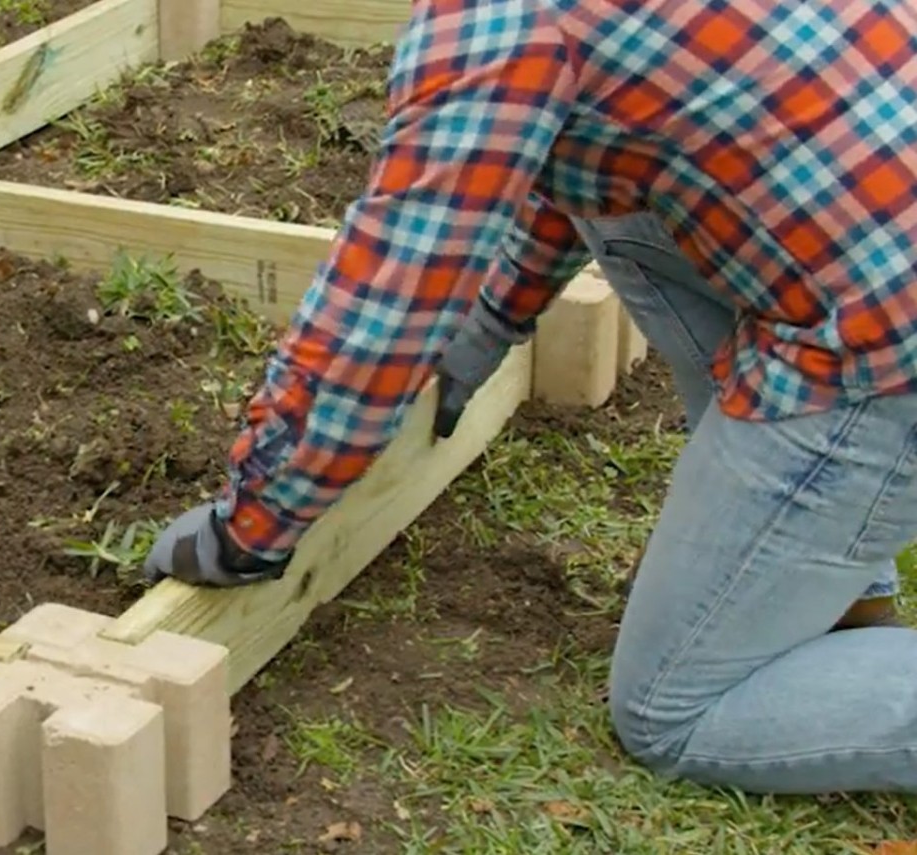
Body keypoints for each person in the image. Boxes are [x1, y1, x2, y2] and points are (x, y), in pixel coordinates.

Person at [143, 0, 917, 794]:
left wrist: (251, 527)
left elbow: (381, 314)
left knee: (669, 709)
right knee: (621, 215)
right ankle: (829, 580)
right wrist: (486, 325)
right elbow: (583, 156)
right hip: (874, 235)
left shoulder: (500, 26)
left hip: (888, 341)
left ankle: (813, 549)